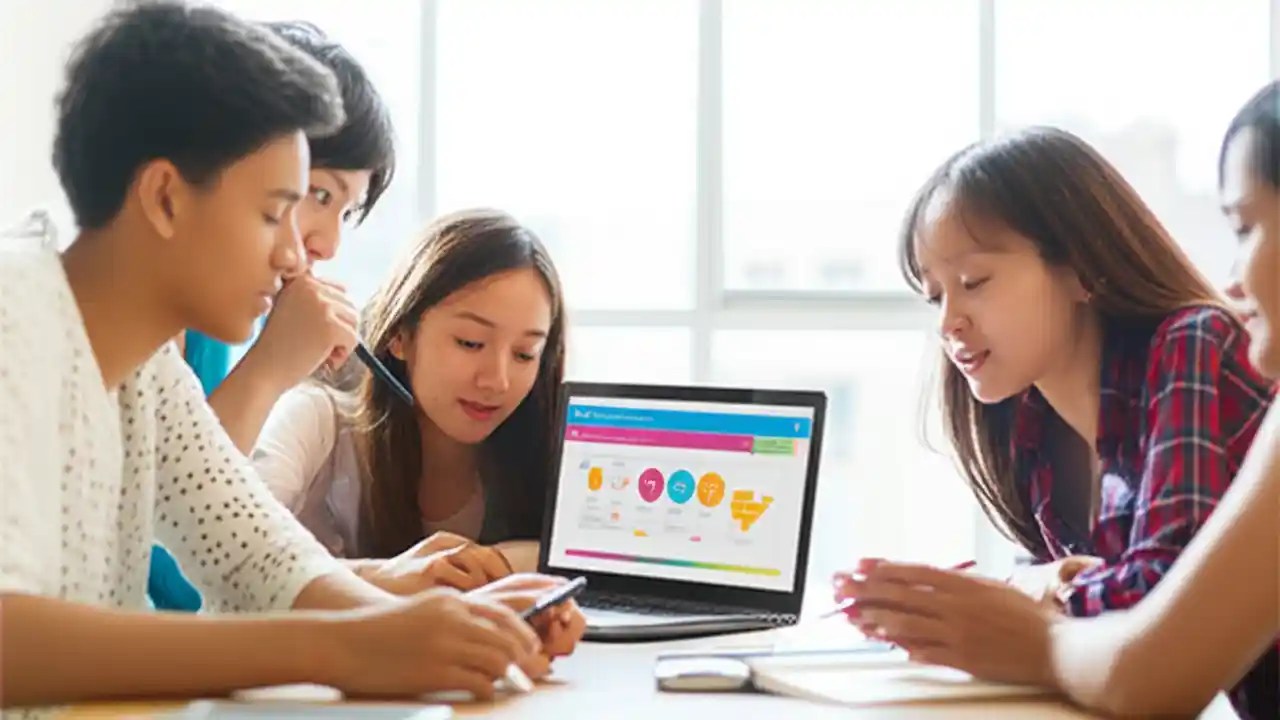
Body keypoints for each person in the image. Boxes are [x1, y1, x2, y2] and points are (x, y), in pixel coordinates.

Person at [0, 2, 582, 710]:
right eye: (278, 210)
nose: (299, 250)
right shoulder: (14, 313)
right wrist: (347, 647)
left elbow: (259, 557)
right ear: (165, 197)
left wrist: (440, 625)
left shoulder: (149, 373)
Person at [833, 96, 1280, 719]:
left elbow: (1158, 611)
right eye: (933, 296)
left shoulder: (1196, 344)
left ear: (1079, 267)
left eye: (974, 283)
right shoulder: (1034, 428)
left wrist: (1035, 595)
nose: (950, 322)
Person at [149, 18, 395, 613]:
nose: (325, 244)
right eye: (319, 195)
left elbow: (243, 556)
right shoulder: (120, 328)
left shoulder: (228, 320)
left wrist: (391, 589)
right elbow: (175, 562)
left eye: (348, 211)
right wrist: (270, 369)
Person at [250, 208, 564, 594]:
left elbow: (605, 559)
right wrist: (386, 577)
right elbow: (233, 550)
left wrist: (499, 561)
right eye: (470, 343)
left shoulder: (545, 439)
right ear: (400, 334)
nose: (496, 381)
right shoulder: (317, 419)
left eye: (525, 354)